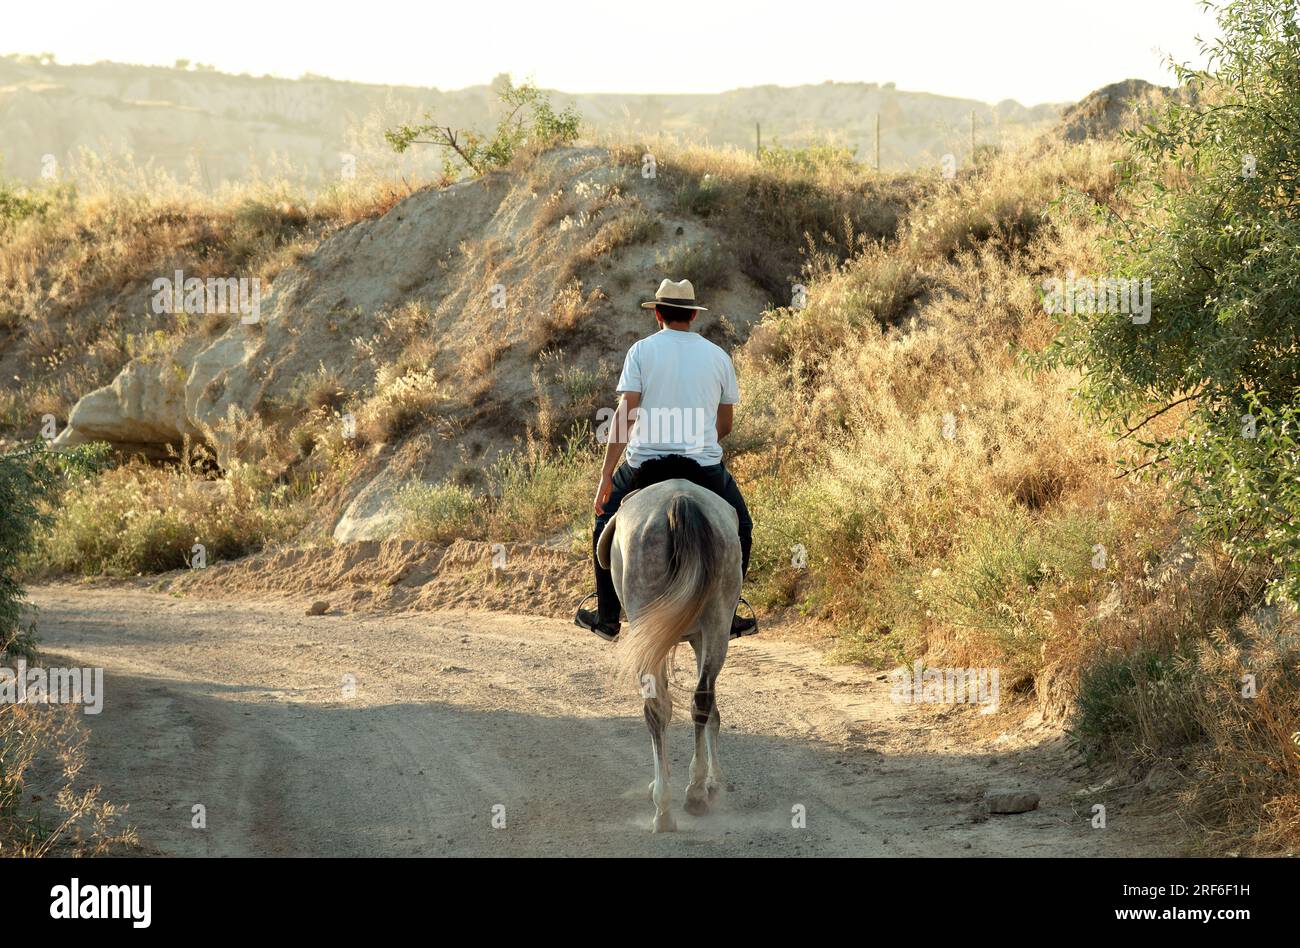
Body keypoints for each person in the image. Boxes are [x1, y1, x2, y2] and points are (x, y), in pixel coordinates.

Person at [574, 278, 756, 642]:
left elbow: (625, 415)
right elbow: (726, 424)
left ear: (658, 314)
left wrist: (606, 475)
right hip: (702, 468)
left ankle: (608, 616)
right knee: (743, 528)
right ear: (693, 315)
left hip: (645, 467)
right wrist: (697, 441)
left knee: (603, 523)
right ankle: (730, 611)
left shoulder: (641, 352)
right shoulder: (719, 356)